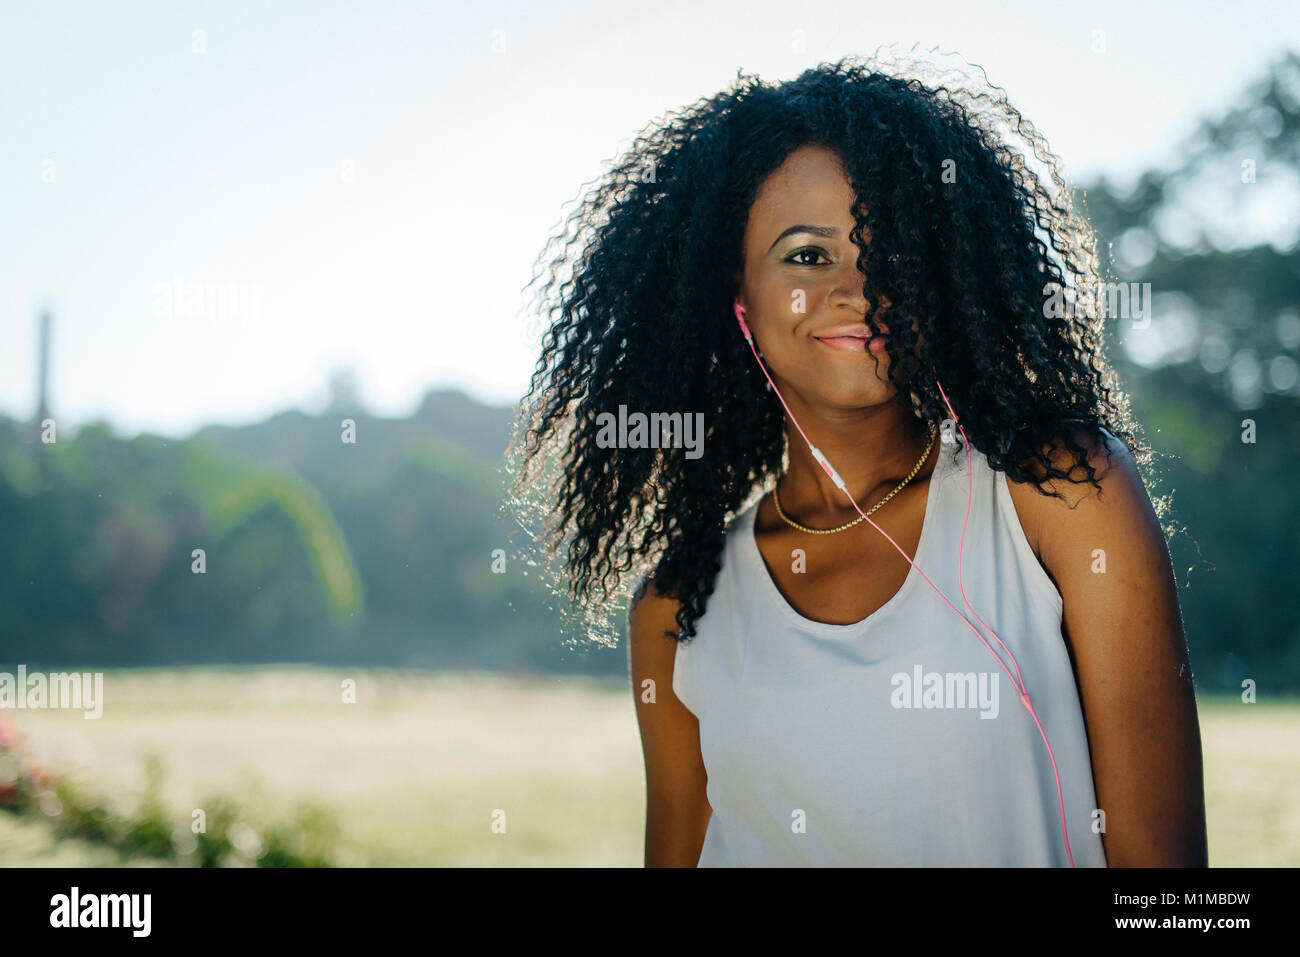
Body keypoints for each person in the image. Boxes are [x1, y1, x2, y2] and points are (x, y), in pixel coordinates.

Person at [506, 54, 1208, 867]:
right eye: (807, 255)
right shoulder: (675, 607)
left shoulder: (1061, 496)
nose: (858, 286)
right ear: (737, 293)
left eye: (888, 245)